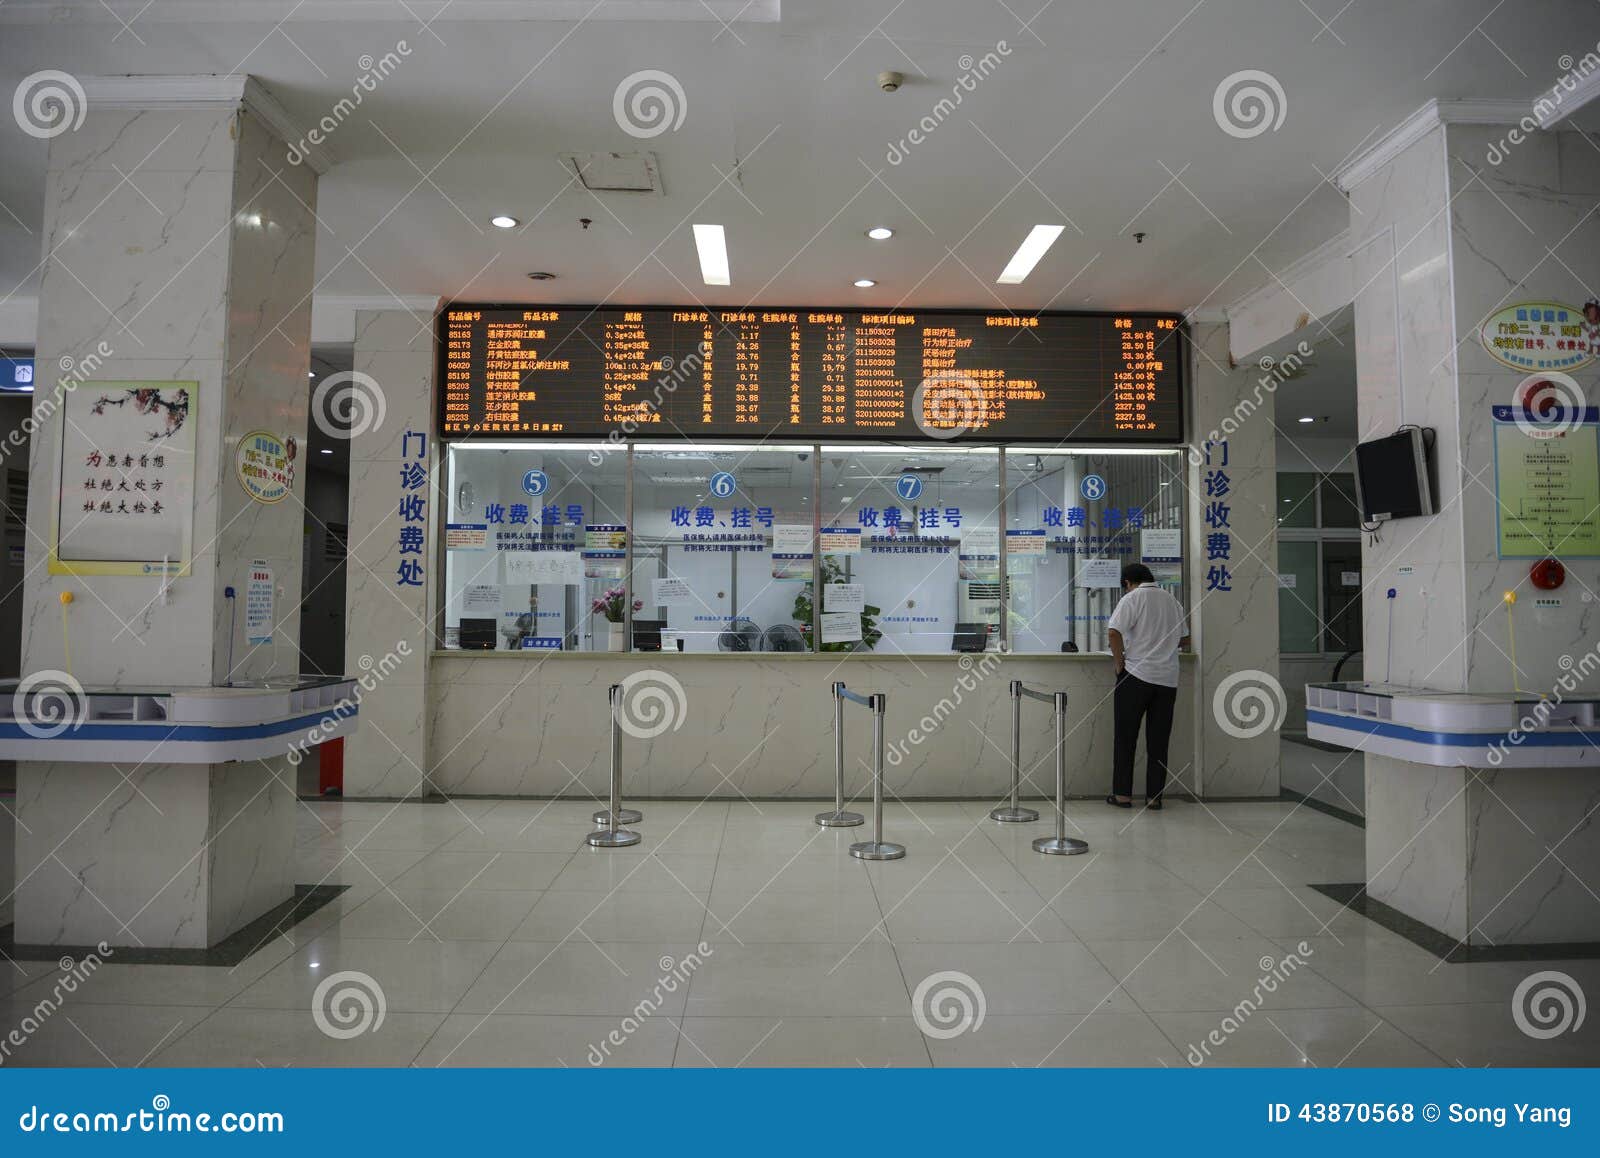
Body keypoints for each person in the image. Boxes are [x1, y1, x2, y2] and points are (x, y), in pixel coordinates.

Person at [1105, 563, 1188, 810]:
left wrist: (1119, 663)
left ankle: (1122, 796)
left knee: (1125, 738)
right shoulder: (1171, 600)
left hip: (1136, 675)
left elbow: (1113, 632)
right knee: (1159, 741)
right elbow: (1185, 637)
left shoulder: (1133, 599)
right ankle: (1154, 798)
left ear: (1129, 582)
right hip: (1167, 679)